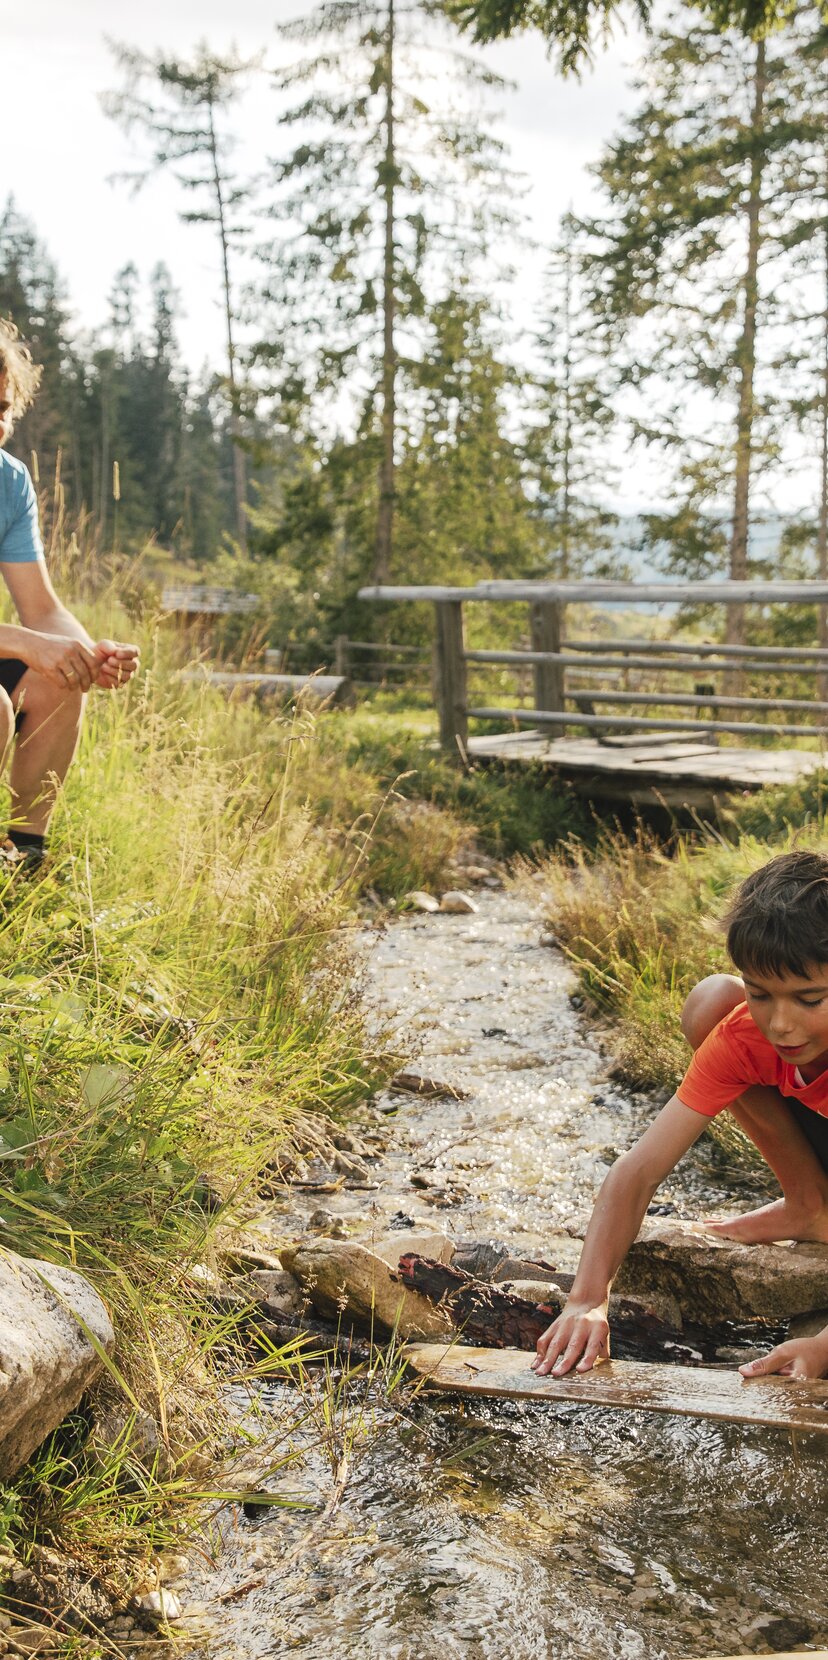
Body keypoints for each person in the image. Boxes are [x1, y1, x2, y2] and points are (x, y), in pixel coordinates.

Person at [533, 848, 828, 1383]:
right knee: (712, 1000)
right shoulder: (748, 1035)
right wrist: (586, 1298)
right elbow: (640, 1169)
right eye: (762, 994)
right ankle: (808, 1204)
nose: (781, 1024)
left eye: (810, 999)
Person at [0, 319, 139, 870]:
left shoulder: (8, 482)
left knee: (62, 680)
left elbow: (43, 608)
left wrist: (87, 654)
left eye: (2, 410)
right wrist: (24, 643)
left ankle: (22, 861)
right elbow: (27, 632)